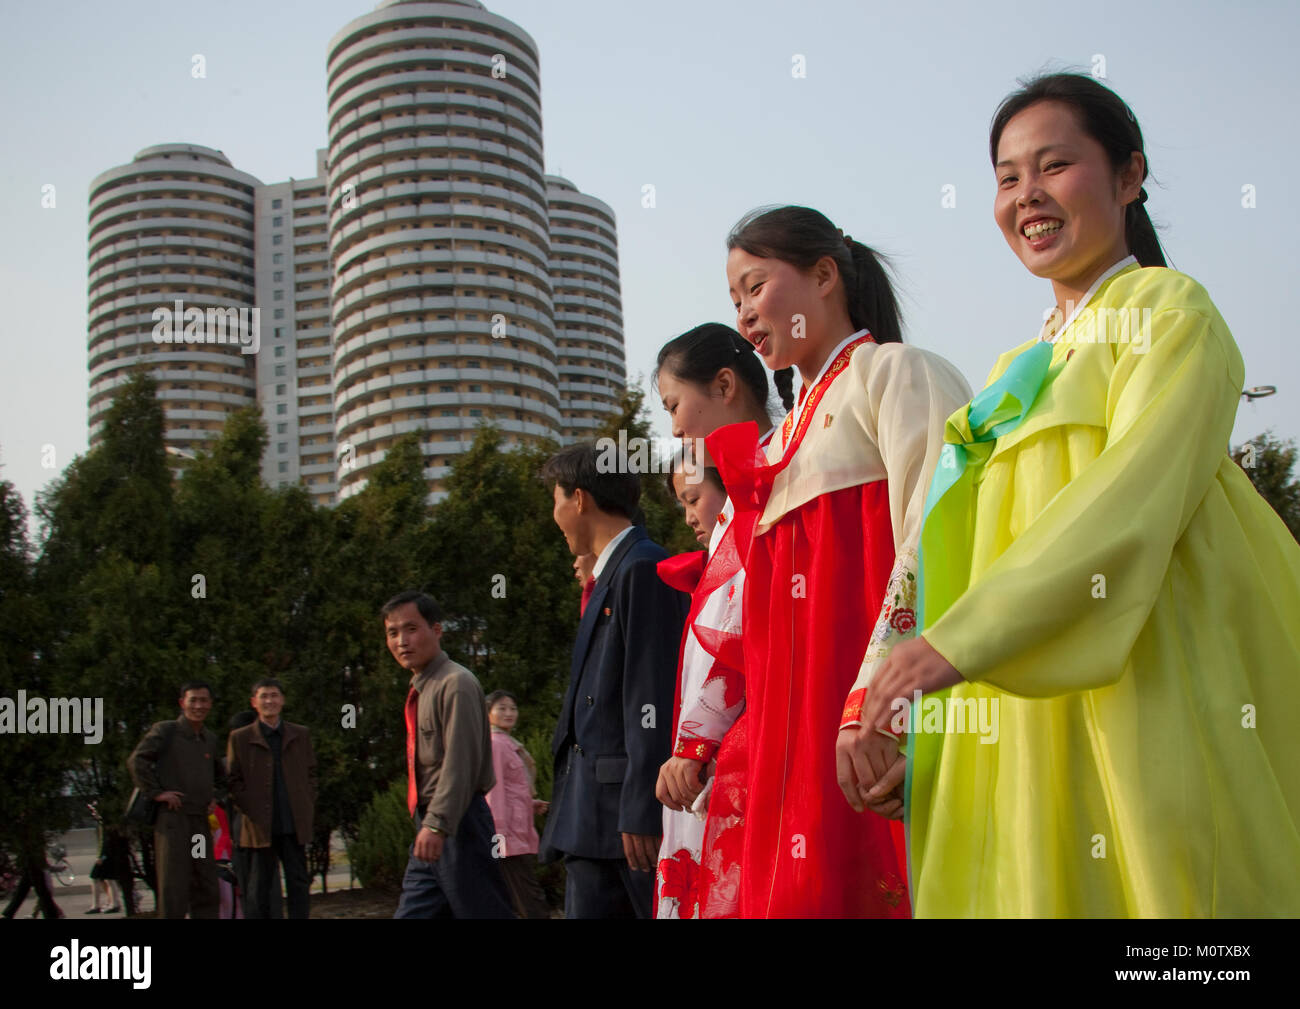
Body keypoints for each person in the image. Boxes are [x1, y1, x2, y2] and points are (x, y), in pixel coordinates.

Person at [854, 72, 1300, 918]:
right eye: (1007, 176)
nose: (1027, 196)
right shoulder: (1010, 375)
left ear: (1129, 177)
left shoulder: (1169, 311)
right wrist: (936, 735)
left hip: (1153, 678)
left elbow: (1131, 496)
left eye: (1054, 166)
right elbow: (965, 557)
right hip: (1025, 715)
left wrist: (959, 642)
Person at [707, 205, 971, 918]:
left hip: (869, 719)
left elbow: (940, 533)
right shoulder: (782, 436)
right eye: (735, 300)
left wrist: (883, 705)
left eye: (755, 287)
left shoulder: (898, 374)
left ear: (824, 275)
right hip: (795, 742)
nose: (745, 316)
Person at [651, 322, 776, 918]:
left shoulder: (768, 488)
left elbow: (750, 644)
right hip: (720, 762)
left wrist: (696, 747)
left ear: (724, 385)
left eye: (676, 405)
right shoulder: (743, 501)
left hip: (751, 756)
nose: (674, 426)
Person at [538, 443, 689, 918]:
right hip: (594, 817)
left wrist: (642, 809)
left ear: (579, 499)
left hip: (621, 823)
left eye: (555, 499)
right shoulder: (613, 573)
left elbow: (650, 694)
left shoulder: (641, 567)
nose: (554, 515)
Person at [383, 590, 514, 919]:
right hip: (432, 824)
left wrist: (438, 825)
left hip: (459, 825)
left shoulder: (456, 683)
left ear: (437, 630)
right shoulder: (421, 687)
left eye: (411, 629)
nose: (402, 641)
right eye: (393, 633)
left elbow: (460, 765)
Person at [128, 680, 226, 919]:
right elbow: (137, 761)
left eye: (204, 700)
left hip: (199, 826)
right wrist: (156, 793)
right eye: (193, 700)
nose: (199, 706)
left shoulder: (209, 739)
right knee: (174, 885)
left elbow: (221, 776)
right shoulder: (166, 731)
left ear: (210, 704)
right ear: (182, 703)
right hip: (173, 823)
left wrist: (215, 797)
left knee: (205, 881)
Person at [226, 677, 317, 919]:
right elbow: (232, 780)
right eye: (264, 696)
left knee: (298, 883)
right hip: (259, 825)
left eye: (274, 695)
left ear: (283, 700)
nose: (270, 701)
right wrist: (248, 805)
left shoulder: (300, 734)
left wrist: (306, 802)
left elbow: (311, 773)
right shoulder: (240, 738)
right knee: (260, 887)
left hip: (293, 822)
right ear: (254, 702)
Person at [483, 690, 551, 919]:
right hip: (506, 836)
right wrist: (499, 839)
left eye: (512, 708)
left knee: (515, 896)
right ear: (487, 713)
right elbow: (494, 791)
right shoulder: (495, 744)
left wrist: (530, 804)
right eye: (501, 708)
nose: (509, 713)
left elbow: (510, 790)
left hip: (514, 832)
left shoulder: (506, 742)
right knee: (529, 898)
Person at [86, 802, 124, 914]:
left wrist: (101, 856)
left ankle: (100, 905)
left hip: (106, 855)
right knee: (109, 879)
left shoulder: (104, 824)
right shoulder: (104, 823)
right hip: (108, 854)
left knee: (97, 878)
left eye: (94, 811)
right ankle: (113, 903)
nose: (93, 814)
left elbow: (105, 841)